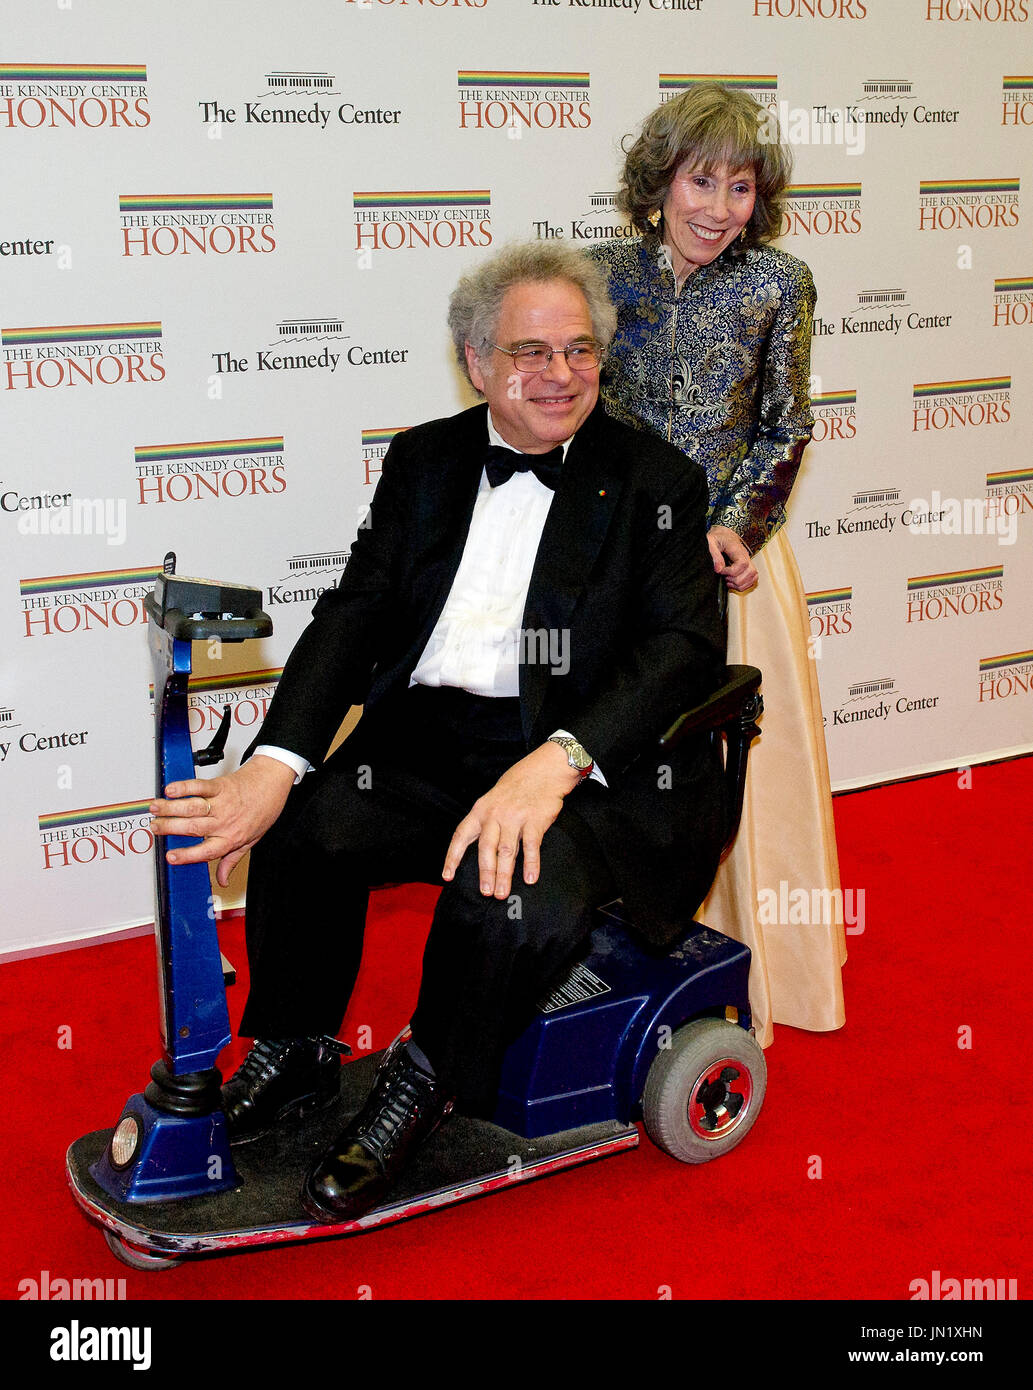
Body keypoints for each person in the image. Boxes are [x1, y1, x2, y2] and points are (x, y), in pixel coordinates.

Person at [148, 241, 727, 1223]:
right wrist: (278, 763)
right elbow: (357, 611)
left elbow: (679, 649)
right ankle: (293, 1049)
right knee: (303, 829)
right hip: (431, 737)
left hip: (584, 760)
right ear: (477, 362)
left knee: (503, 895)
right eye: (530, 353)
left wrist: (557, 762)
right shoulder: (427, 460)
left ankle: (424, 1079)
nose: (560, 374)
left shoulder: (655, 482)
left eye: (579, 350)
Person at [586, 83, 845, 1048]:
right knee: (614, 752)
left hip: (736, 564)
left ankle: (757, 964)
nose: (718, 206)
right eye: (702, 179)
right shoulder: (600, 274)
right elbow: (579, 415)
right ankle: (604, 949)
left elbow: (786, 425)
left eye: (740, 187)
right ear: (659, 182)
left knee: (736, 768)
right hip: (618, 561)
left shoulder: (780, 282)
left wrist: (733, 526)